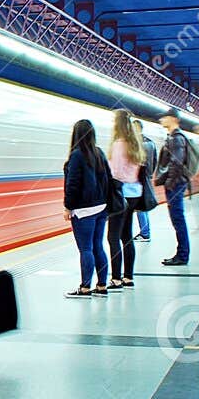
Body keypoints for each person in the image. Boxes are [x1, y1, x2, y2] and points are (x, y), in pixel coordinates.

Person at [63, 119, 112, 298]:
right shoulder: (99, 153)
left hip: (84, 211)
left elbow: (73, 184)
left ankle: (85, 288)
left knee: (86, 248)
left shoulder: (77, 154)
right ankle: (101, 286)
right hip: (101, 208)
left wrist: (68, 207)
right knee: (98, 246)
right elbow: (108, 178)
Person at [106, 108, 146, 289]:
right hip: (134, 194)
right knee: (127, 236)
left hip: (119, 194)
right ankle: (128, 276)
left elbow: (116, 173)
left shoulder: (118, 144)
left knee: (113, 236)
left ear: (117, 124)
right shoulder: (136, 144)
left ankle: (115, 278)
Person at [155, 113, 193, 266]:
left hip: (175, 184)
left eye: (165, 117)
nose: (161, 120)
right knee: (177, 219)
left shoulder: (176, 138)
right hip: (176, 183)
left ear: (174, 119)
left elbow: (176, 163)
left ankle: (182, 255)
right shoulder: (173, 137)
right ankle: (181, 253)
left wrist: (169, 183)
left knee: (178, 218)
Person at [135, 119, 158, 241]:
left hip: (139, 179)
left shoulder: (137, 144)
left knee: (140, 206)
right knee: (143, 205)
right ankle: (145, 231)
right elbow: (155, 162)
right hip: (147, 177)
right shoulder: (151, 143)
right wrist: (149, 174)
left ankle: (145, 233)